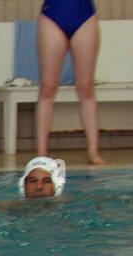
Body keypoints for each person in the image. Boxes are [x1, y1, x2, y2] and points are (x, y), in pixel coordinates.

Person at [37, 0, 106, 166]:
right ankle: (41, 152)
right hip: (53, 15)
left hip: (84, 15)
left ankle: (93, 150)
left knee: (86, 88)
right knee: (48, 88)